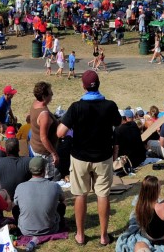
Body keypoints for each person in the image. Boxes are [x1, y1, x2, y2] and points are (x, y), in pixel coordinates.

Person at [56, 70, 119, 247]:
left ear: (83, 86)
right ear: (99, 84)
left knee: (80, 195)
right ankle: (103, 236)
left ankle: (80, 235)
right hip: (103, 157)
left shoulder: (76, 107)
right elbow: (118, 125)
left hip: (80, 157)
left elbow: (60, 132)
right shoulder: (110, 105)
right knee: (103, 195)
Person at [13, 156, 66, 238]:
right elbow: (63, 199)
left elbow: (15, 204)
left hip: (26, 230)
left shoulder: (20, 186)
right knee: (62, 205)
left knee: (16, 208)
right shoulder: (54, 186)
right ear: (45, 170)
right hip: (50, 229)